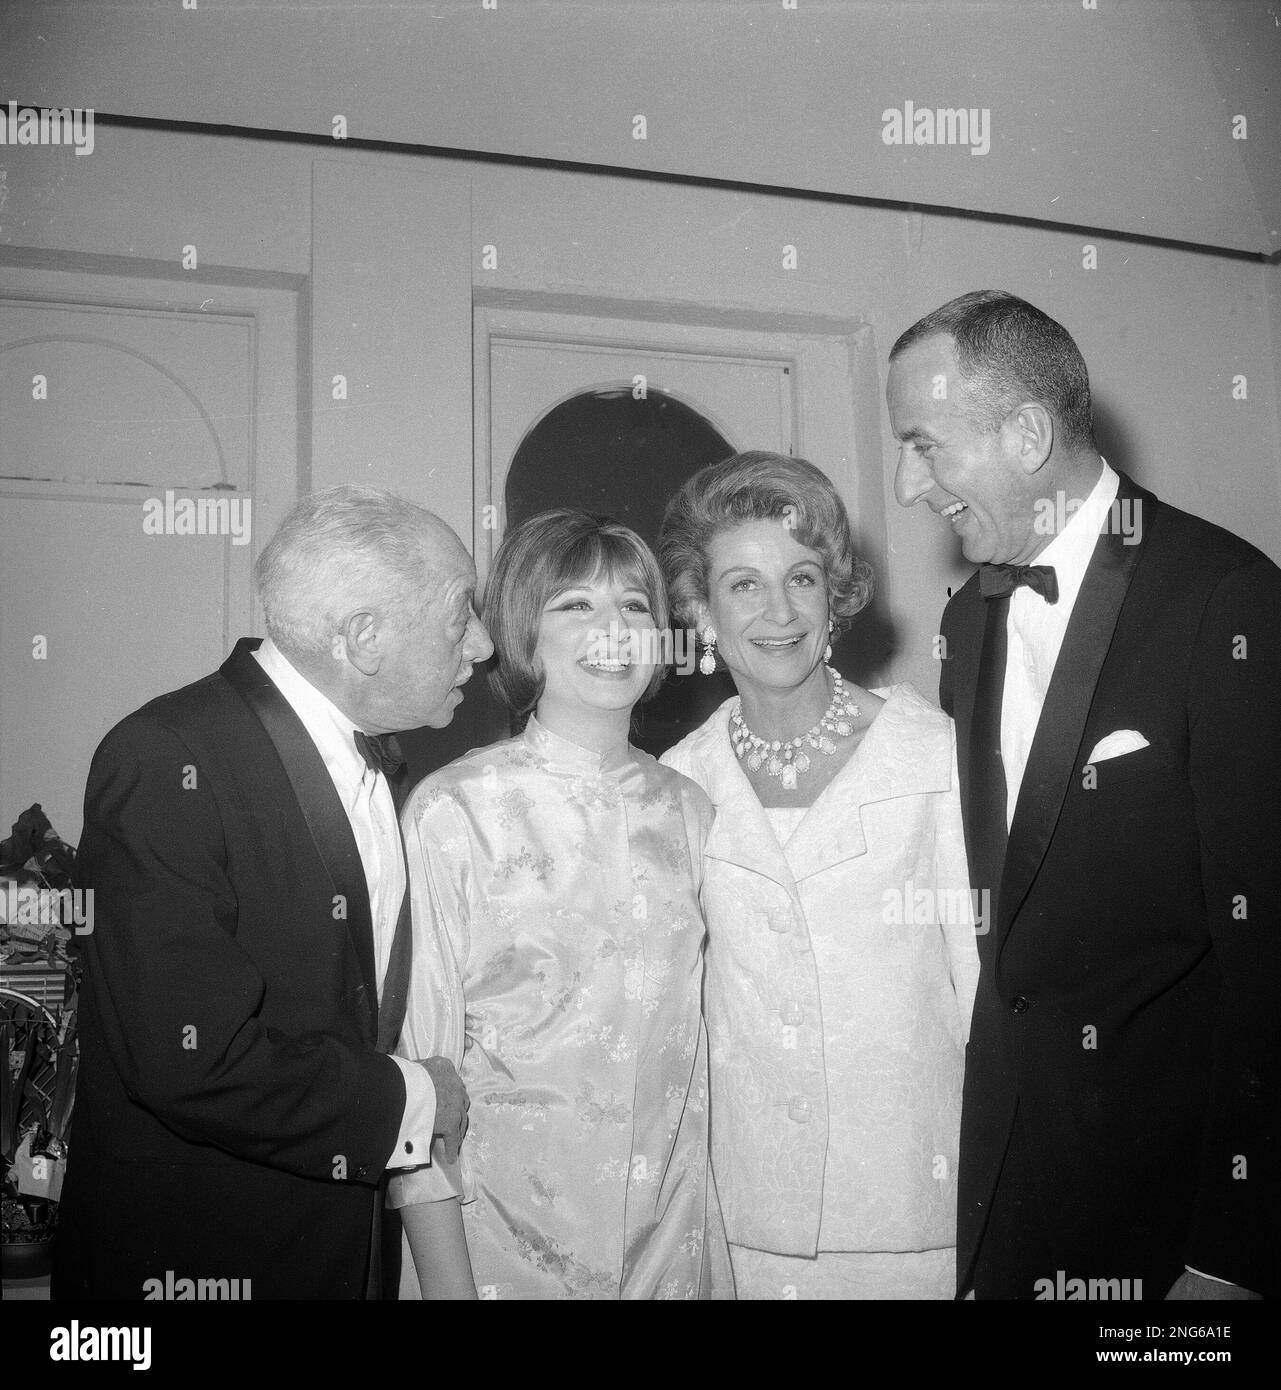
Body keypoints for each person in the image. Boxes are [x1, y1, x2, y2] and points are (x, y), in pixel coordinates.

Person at [887, 289, 1281, 1300]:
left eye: (924, 446)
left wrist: (1229, 1252)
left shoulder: (1228, 599)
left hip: (1172, 1224)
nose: (905, 482)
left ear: (1026, 433)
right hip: (1011, 1204)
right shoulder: (965, 623)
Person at [53, 485, 491, 1299]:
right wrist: (417, 1095)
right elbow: (192, 1058)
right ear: (364, 637)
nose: (484, 642)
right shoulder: (166, 756)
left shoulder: (375, 763)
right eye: (460, 613)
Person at [657, 451, 980, 1300]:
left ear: (834, 597)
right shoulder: (675, 784)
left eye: (801, 578)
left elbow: (987, 998)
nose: (777, 611)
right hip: (744, 1223)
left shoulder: (933, 757)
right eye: (742, 585)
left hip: (918, 1216)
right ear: (698, 609)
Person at [389, 508, 726, 1299]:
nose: (613, 629)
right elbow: (416, 1084)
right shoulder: (452, 811)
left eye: (634, 605)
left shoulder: (693, 810)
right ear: (522, 633)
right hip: (495, 1246)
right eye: (575, 604)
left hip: (667, 1252)